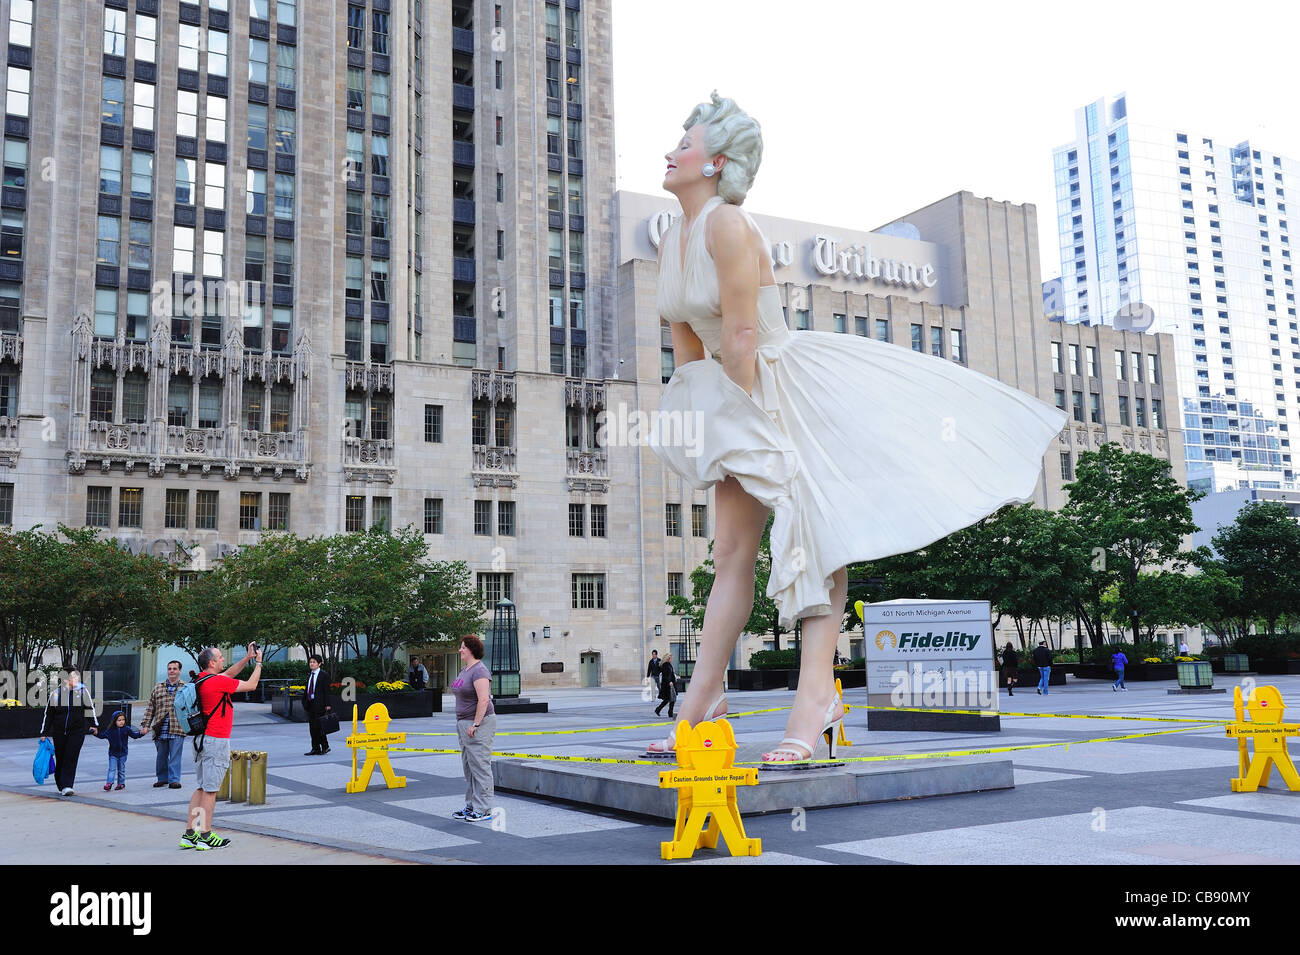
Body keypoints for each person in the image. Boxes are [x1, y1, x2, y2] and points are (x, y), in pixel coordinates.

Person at [644, 92, 1067, 764]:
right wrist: (709, 426)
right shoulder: (672, 239)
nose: (671, 152)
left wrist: (744, 419)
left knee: (816, 540)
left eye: (684, 143)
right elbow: (686, 345)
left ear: (715, 162)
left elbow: (744, 333)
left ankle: (815, 699)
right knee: (729, 554)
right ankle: (701, 702)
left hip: (780, 386)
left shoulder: (728, 226)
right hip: (733, 393)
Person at [179, 643, 262, 851]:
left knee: (201, 787)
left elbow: (228, 675)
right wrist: (259, 663)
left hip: (201, 740)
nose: (223, 659)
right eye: (220, 657)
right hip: (216, 740)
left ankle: (189, 834)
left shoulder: (202, 679)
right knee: (210, 790)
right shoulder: (216, 683)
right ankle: (205, 834)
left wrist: (247, 659)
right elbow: (251, 685)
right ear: (212, 662)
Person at [449, 635, 495, 822]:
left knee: (480, 766)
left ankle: (484, 809)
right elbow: (457, 690)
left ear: (471, 650)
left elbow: (484, 699)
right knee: (469, 766)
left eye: (463, 648)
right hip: (463, 722)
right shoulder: (464, 670)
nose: (460, 650)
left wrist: (475, 724)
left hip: (478, 724)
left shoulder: (480, 671)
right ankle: (471, 805)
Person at [39, 670, 99, 796]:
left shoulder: (82, 692)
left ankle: (67, 785)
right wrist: (44, 732)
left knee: (71, 757)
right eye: (73, 677)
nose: (76, 679)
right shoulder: (56, 694)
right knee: (61, 758)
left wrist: (94, 724)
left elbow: (89, 708)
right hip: (59, 732)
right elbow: (48, 715)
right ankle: (61, 784)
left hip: (77, 731)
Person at [139, 660, 186, 789]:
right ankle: (162, 778)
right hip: (160, 728)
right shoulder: (158, 688)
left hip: (177, 727)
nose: (172, 671)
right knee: (161, 756)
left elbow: (191, 707)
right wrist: (146, 725)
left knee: (175, 756)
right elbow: (150, 708)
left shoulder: (185, 687)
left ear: (179, 671)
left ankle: (174, 780)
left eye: (175, 669)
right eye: (170, 668)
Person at [97, 709, 143, 790]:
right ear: (114, 721)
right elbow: (102, 736)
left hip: (123, 753)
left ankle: (121, 784)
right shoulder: (110, 730)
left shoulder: (127, 729)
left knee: (121, 769)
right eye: (119, 720)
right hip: (113, 754)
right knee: (112, 769)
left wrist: (141, 733)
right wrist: (95, 733)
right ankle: (109, 783)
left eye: (123, 720)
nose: (121, 722)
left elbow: (135, 735)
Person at [302, 653, 332, 756]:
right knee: (312, 727)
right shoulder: (310, 675)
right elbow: (307, 689)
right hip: (311, 704)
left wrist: (327, 704)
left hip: (320, 704)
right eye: (310, 662)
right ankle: (315, 748)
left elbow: (327, 691)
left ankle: (325, 746)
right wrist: (305, 702)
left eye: (314, 662)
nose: (311, 664)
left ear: (319, 664)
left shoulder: (324, 675)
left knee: (319, 726)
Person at [654, 653, 678, 719]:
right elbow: (665, 675)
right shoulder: (665, 665)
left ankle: (659, 710)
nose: (672, 659)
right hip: (668, 685)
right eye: (671, 658)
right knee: (671, 699)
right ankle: (668, 712)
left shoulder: (669, 665)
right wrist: (669, 681)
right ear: (668, 658)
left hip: (670, 683)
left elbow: (670, 674)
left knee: (670, 699)